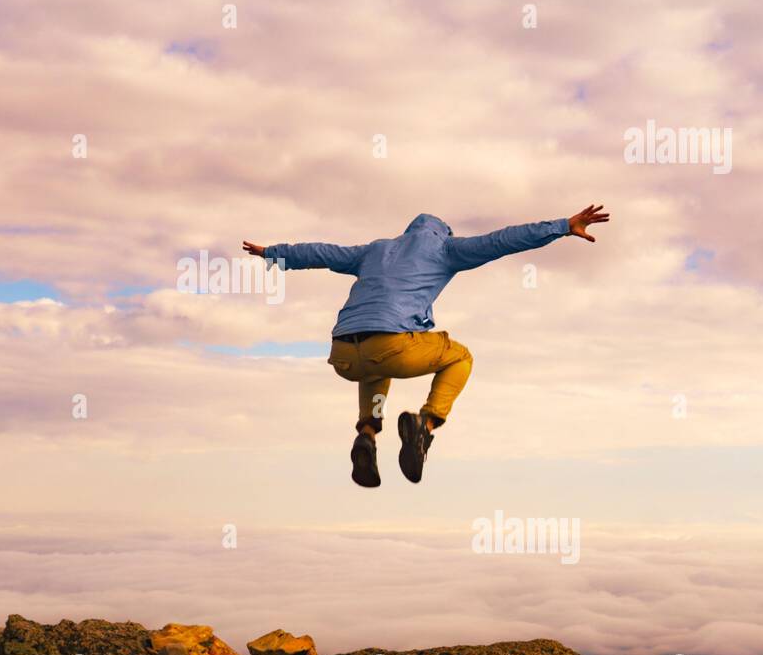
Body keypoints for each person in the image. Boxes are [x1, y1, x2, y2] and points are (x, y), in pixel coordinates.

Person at [243, 204, 609, 487]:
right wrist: (562, 227)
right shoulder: (446, 249)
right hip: (394, 347)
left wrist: (273, 252)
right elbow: (503, 240)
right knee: (460, 357)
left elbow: (321, 252)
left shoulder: (374, 250)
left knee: (376, 360)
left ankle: (367, 435)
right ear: (441, 234)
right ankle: (426, 424)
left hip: (344, 356)